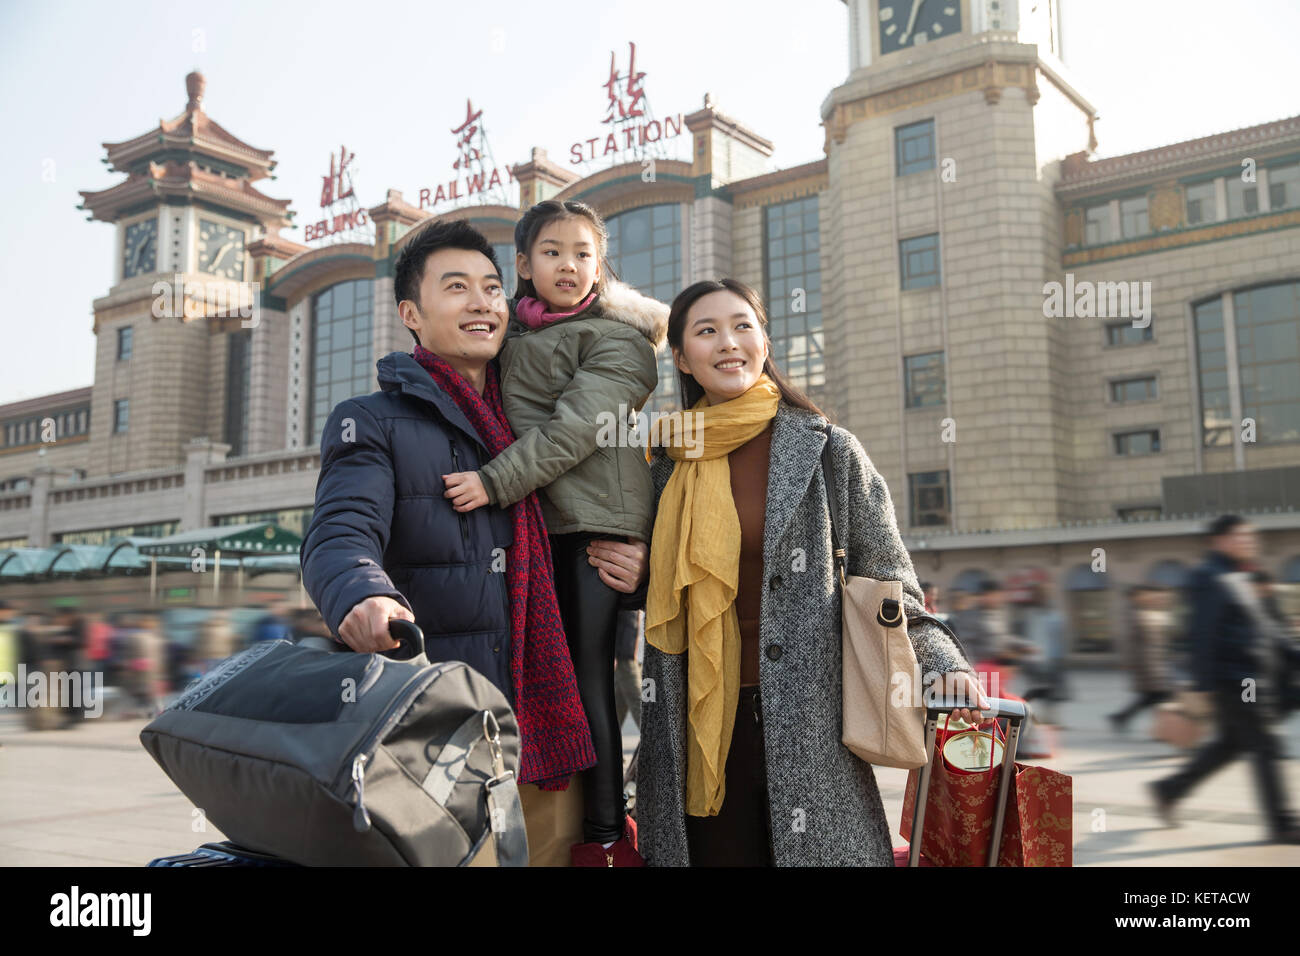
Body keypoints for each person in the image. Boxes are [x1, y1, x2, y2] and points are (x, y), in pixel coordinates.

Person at [608, 278, 986, 866]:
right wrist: (633, 574)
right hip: (694, 731)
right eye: (706, 332)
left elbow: (890, 579)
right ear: (682, 357)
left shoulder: (829, 451)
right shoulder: (662, 461)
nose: (728, 343)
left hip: (815, 728)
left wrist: (948, 667)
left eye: (742, 326)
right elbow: (651, 591)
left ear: (765, 340)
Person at [301, 218, 642, 866]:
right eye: (456, 288)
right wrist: (362, 594)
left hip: (556, 750)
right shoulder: (372, 422)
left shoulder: (537, 423)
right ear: (412, 313)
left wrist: (639, 565)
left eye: (490, 287)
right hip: (447, 750)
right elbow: (341, 530)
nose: (482, 302)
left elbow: (612, 500)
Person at [440, 200, 664, 866]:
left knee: (588, 675)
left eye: (583, 253)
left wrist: (494, 482)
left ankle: (602, 835)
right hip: (532, 523)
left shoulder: (619, 341)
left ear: (601, 265)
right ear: (523, 264)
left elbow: (576, 427)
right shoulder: (503, 334)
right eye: (552, 252)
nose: (569, 265)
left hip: (595, 524)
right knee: (535, 675)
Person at [1150, 515, 1300, 843]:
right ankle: (1282, 823)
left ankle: (1168, 790)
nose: (1250, 542)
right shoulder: (1208, 576)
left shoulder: (1237, 575)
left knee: (1230, 745)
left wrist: (1293, 654)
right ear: (1220, 540)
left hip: (1251, 677)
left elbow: (1267, 628)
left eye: (1251, 537)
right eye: (1243, 536)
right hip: (1237, 680)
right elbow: (1201, 633)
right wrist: (1204, 685)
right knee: (1266, 745)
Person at [1108, 585, 1173, 732]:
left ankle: (1121, 717)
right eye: (1143, 595)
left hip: (1154, 664)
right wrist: (1130, 663)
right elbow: (1128, 641)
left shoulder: (1145, 612)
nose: (1147, 597)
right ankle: (1161, 729)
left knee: (1151, 698)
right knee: (1158, 697)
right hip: (1147, 665)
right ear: (1135, 597)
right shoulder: (1134, 614)